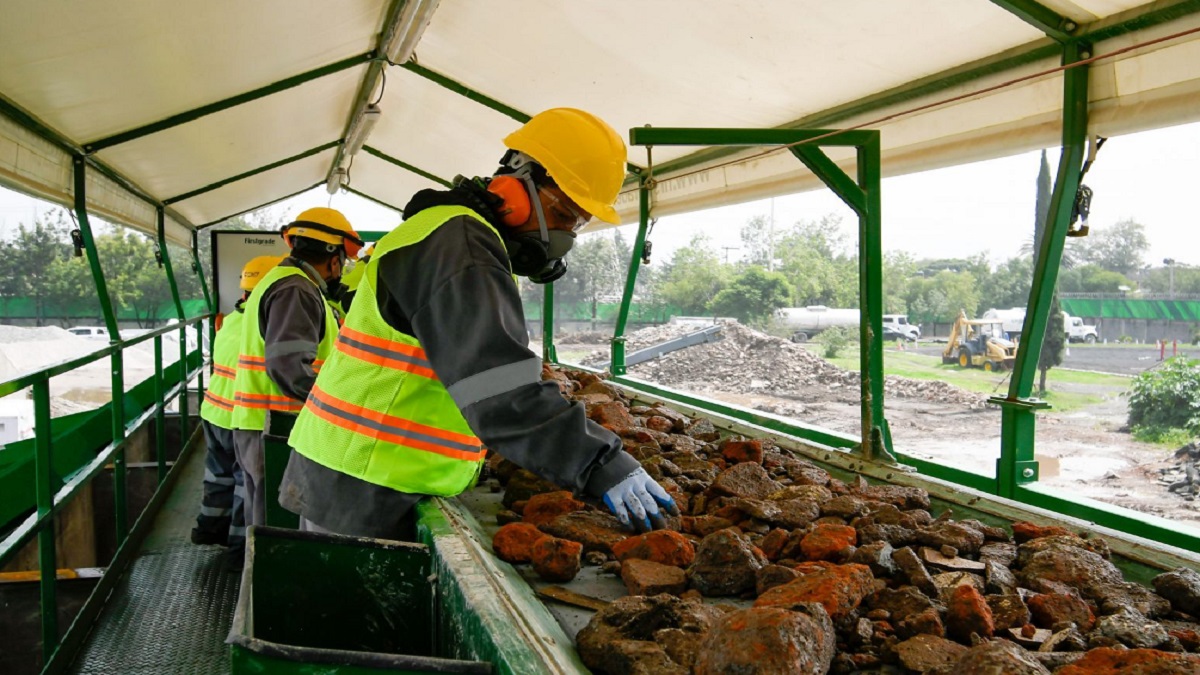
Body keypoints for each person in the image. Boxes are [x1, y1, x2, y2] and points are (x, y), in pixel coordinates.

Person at [281, 108, 677, 539]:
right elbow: (498, 389)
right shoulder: (461, 247)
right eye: (563, 215)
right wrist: (601, 464)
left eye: (577, 225)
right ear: (516, 184)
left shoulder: (450, 234)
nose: (563, 237)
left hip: (358, 472)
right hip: (365, 485)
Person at [229, 208, 362, 552]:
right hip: (277, 426)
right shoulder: (296, 290)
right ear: (333, 258)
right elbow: (290, 368)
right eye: (344, 261)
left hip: (260, 422)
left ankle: (258, 584)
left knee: (262, 524)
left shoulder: (280, 280)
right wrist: (340, 408)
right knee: (277, 534)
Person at [193, 255, 282, 567]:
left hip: (213, 412)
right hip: (240, 417)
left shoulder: (231, 320)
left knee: (219, 476)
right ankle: (238, 552)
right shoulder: (265, 326)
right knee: (246, 485)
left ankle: (209, 529)